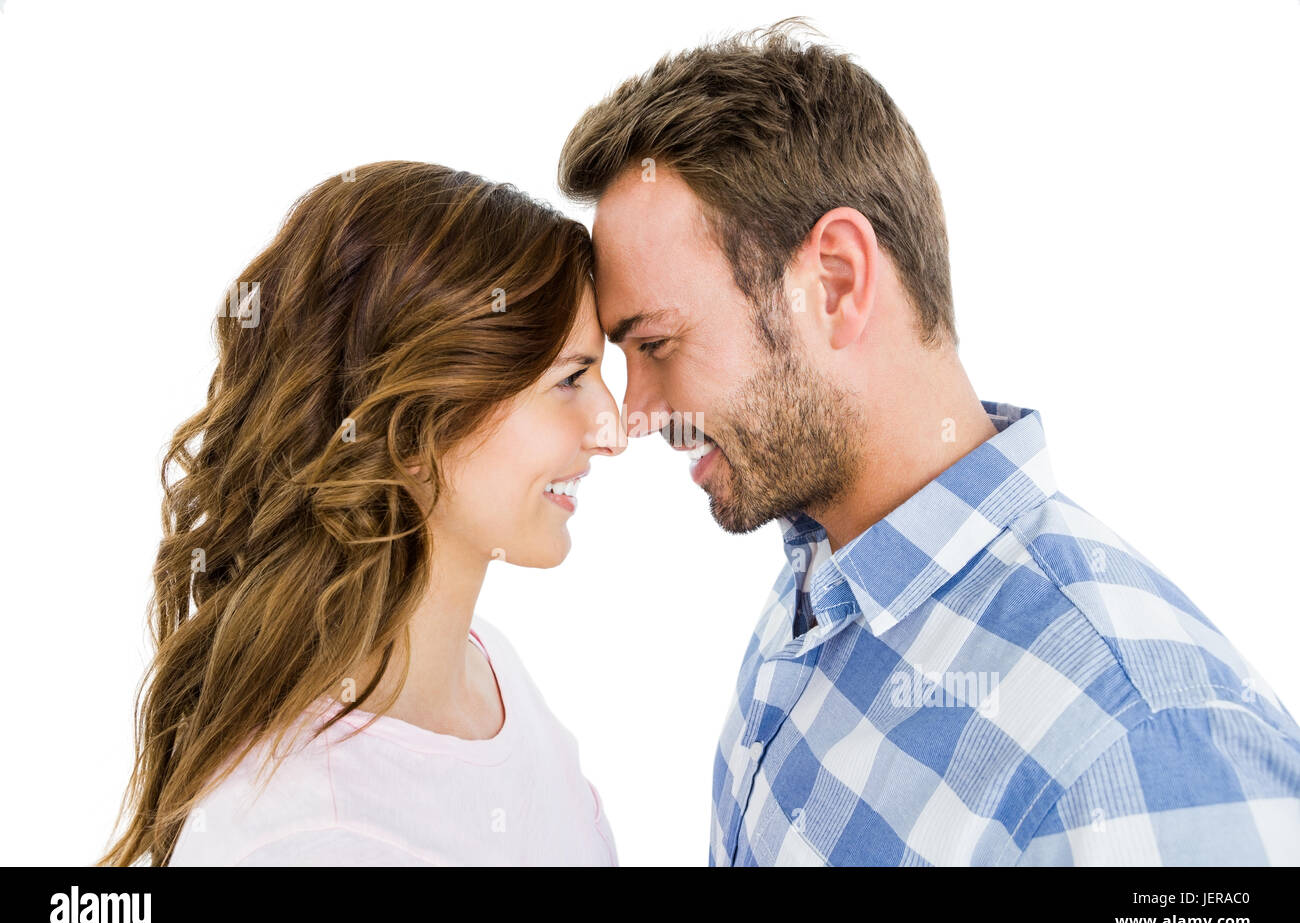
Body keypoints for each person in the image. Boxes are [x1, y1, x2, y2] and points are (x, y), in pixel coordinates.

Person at [557, 18, 1300, 865]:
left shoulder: (1139, 749)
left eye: (654, 345)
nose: (636, 414)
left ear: (835, 283)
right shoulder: (820, 581)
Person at [98, 161, 623, 866]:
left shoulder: (488, 673)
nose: (613, 429)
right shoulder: (315, 839)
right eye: (570, 379)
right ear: (413, 429)